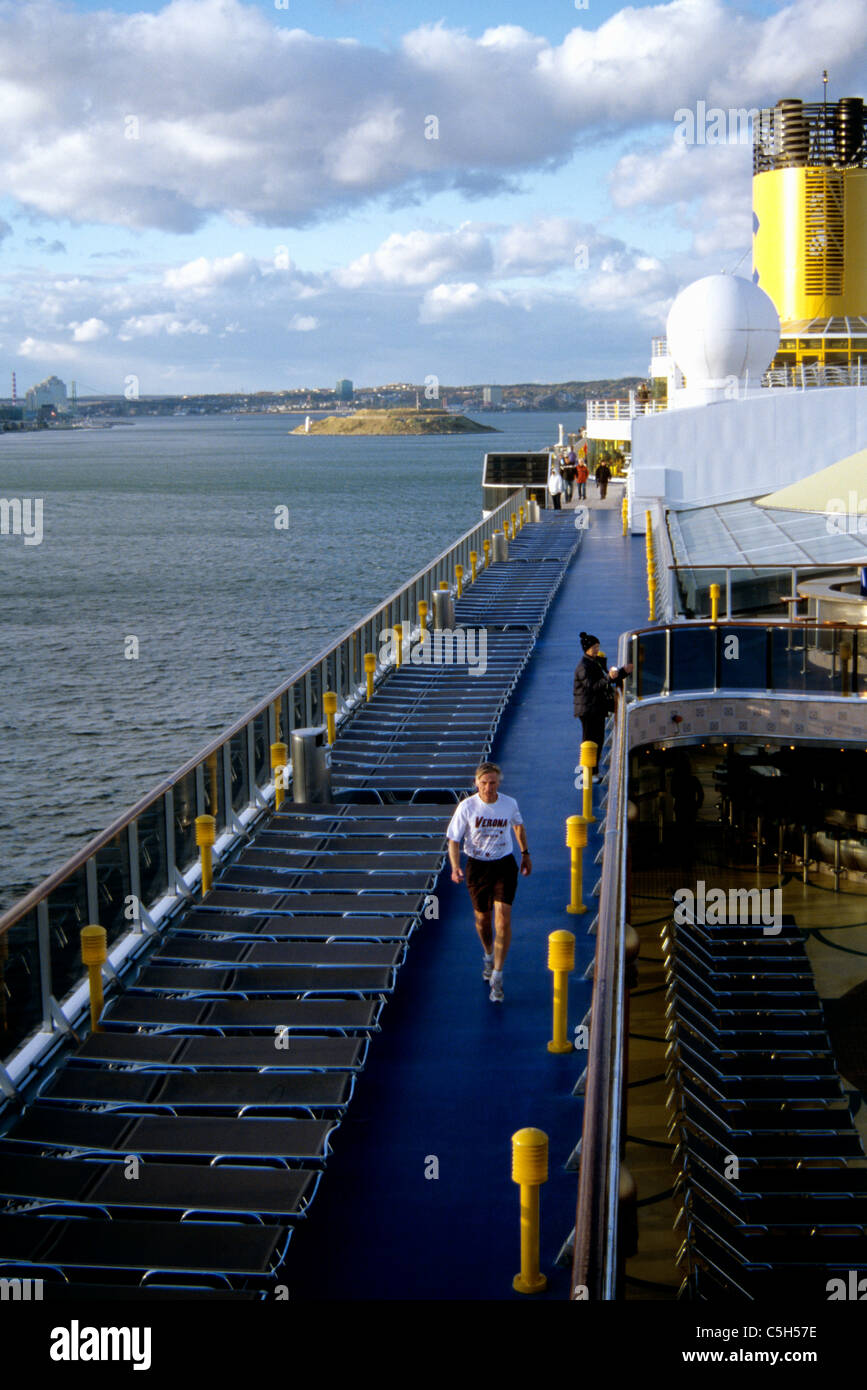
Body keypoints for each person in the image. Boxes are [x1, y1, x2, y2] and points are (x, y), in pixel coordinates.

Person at [447, 762, 531, 1002]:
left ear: (498, 783)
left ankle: (498, 973)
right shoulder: (467, 807)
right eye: (483, 783)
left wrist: (525, 854)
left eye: (492, 782)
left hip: (504, 864)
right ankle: (488, 954)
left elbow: (518, 827)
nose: (488, 787)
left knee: (503, 920)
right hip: (477, 867)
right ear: (476, 783)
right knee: (483, 920)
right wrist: (455, 867)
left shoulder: (509, 804)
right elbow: (453, 839)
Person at [573, 632, 632, 761]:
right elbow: (592, 686)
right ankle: (589, 771)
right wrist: (609, 677)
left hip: (595, 707)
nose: (597, 650)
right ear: (587, 648)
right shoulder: (583, 667)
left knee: (598, 739)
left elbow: (606, 679)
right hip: (588, 709)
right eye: (594, 647)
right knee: (591, 740)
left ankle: (593, 770)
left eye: (598, 647)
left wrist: (623, 672)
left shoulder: (595, 662)